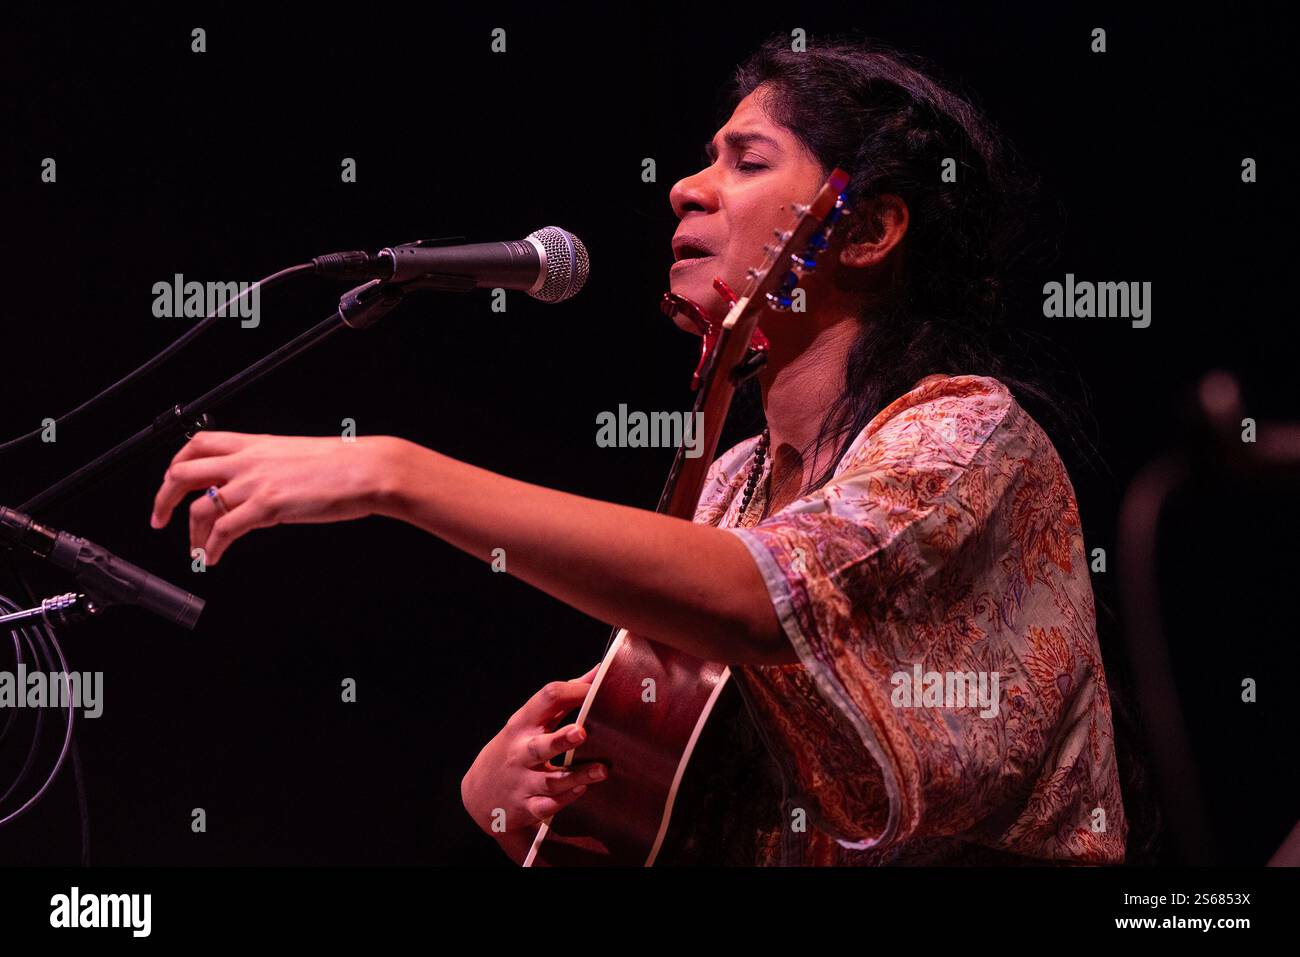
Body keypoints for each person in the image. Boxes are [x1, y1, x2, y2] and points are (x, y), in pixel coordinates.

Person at [147, 36, 1128, 865]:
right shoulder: (734, 484)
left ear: (865, 229)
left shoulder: (963, 434)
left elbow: (758, 599)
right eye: (707, 159)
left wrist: (392, 472)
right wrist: (513, 799)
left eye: (746, 163)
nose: (686, 192)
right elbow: (671, 795)